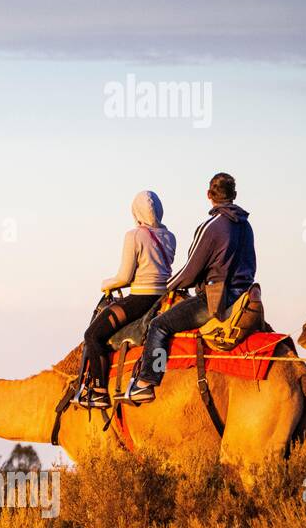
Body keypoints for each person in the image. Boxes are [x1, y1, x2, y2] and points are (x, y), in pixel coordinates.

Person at [122, 172, 256, 404]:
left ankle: (147, 382)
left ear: (209, 195)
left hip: (216, 299)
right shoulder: (246, 226)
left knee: (159, 325)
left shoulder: (213, 226)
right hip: (244, 298)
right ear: (234, 195)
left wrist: (168, 288)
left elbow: (190, 272)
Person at [73, 190, 176, 409]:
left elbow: (125, 277)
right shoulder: (170, 237)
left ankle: (99, 391)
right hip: (164, 299)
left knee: (93, 335)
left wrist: (107, 284)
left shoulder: (134, 236)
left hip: (139, 300)